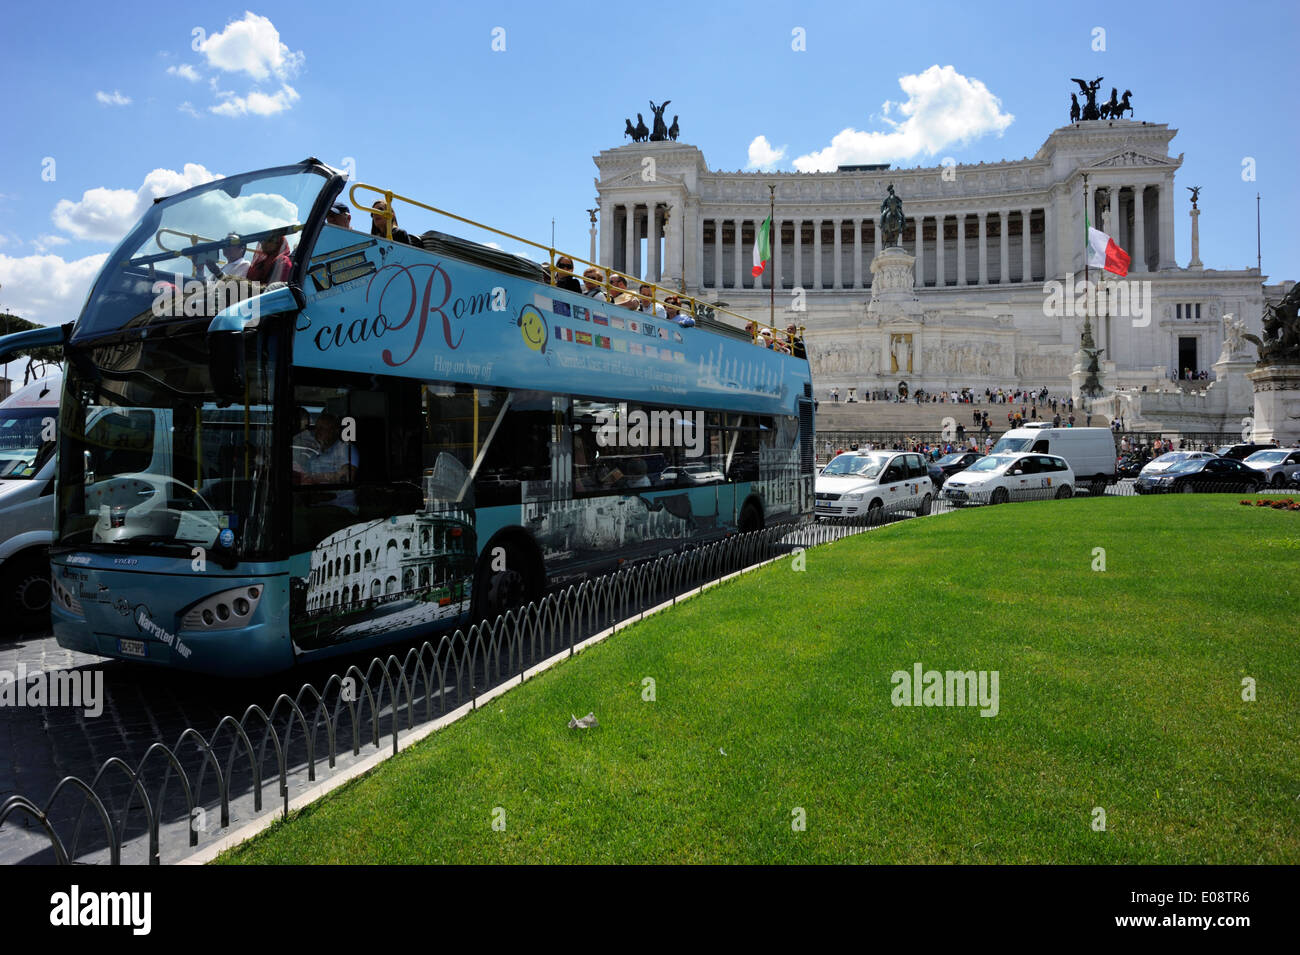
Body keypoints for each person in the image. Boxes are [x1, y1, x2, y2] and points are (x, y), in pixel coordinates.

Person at [296, 413, 360, 507]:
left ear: (335, 431)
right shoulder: (313, 452)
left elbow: (346, 478)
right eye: (317, 428)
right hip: (316, 506)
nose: (318, 432)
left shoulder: (345, 449)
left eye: (323, 429)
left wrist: (315, 479)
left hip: (340, 507)